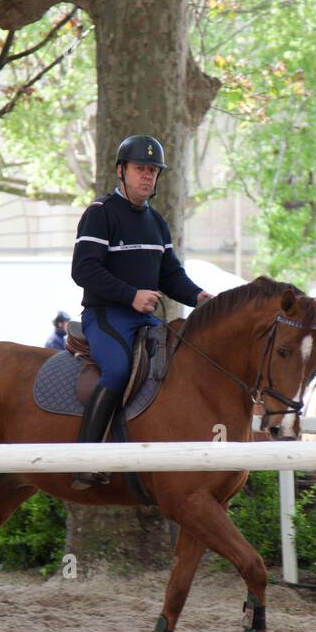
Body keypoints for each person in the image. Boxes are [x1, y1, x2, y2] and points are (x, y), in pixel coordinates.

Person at [70, 133, 215, 488]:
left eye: (153, 170)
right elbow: (83, 270)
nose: (147, 175)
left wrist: (200, 297)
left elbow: (170, 275)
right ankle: (85, 460)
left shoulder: (157, 222)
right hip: (106, 315)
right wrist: (131, 295)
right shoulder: (99, 214)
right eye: (140, 168)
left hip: (145, 319)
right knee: (118, 369)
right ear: (121, 171)